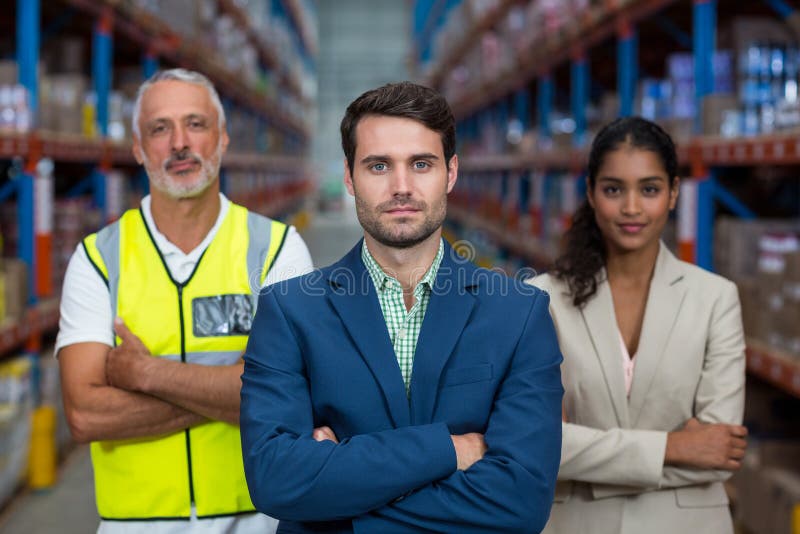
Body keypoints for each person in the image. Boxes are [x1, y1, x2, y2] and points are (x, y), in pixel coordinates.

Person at [240, 81, 564, 533]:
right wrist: (450, 450)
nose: (401, 186)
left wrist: (338, 490)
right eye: (378, 166)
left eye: (421, 164)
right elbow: (276, 482)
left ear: (450, 173)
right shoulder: (290, 311)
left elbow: (521, 500)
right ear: (350, 179)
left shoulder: (519, 314)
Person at [57, 68, 313, 533]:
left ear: (222, 139)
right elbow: (85, 413)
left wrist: (145, 374)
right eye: (160, 128)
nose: (180, 142)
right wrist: (236, 392)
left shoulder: (276, 249)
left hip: (257, 518)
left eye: (196, 124)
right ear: (137, 148)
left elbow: (293, 398)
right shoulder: (98, 259)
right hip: (134, 523)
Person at [529, 116, 747, 534]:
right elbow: (540, 445)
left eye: (649, 189)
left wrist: (587, 459)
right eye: (614, 189)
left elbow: (719, 454)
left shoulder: (715, 299)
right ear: (591, 193)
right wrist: (677, 447)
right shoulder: (542, 300)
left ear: (673, 193)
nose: (632, 208)